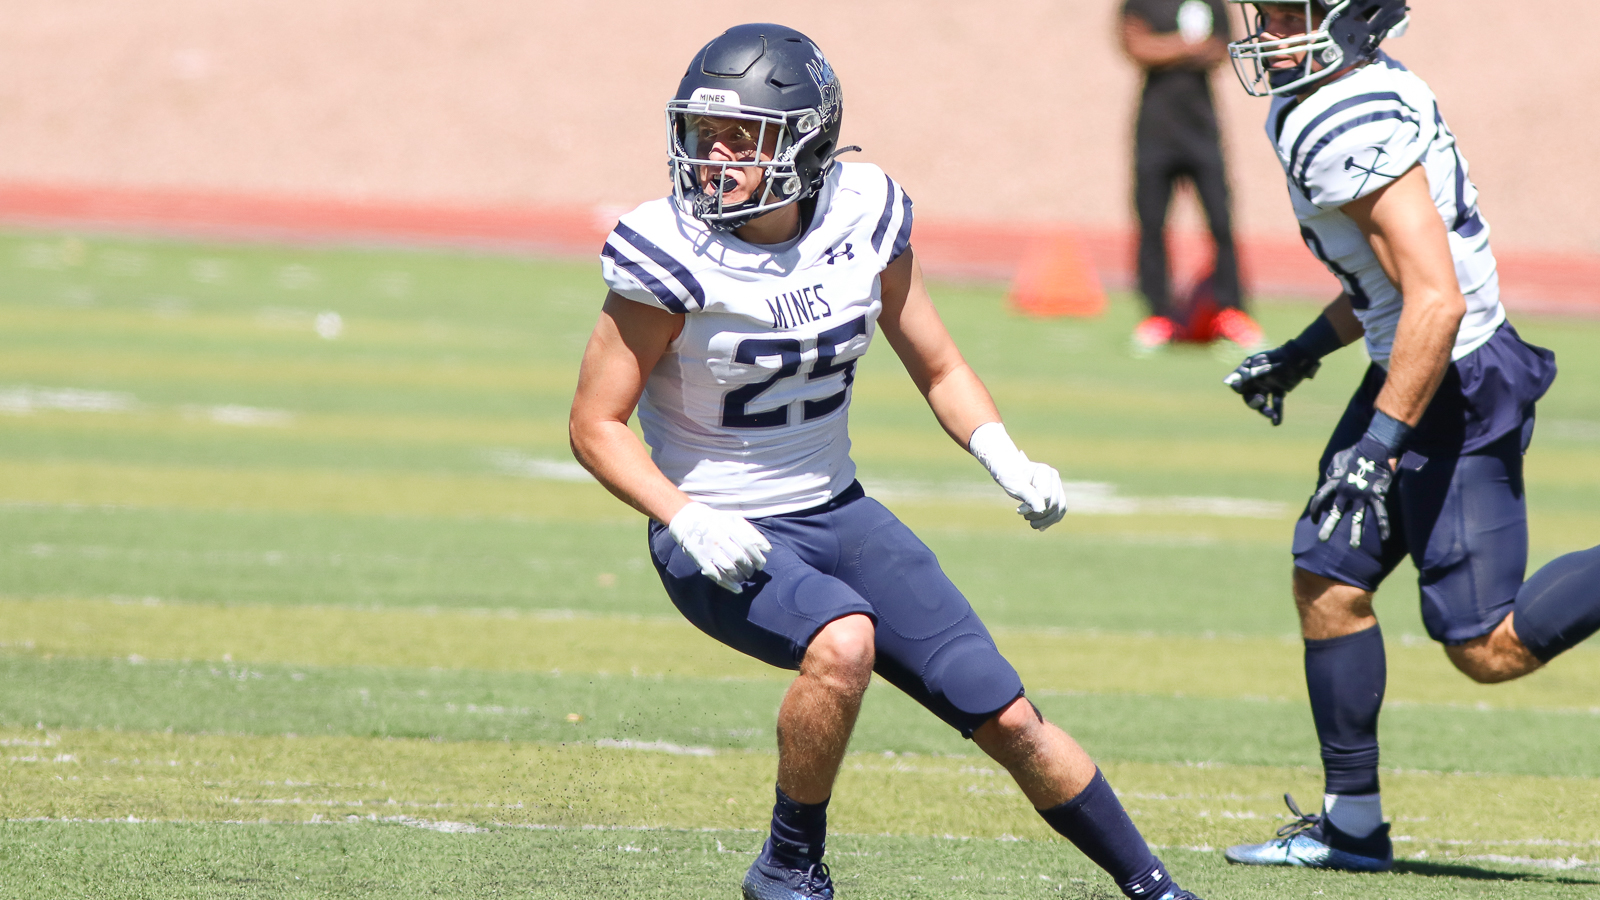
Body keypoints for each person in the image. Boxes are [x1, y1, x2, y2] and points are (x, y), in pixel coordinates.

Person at [569, 22, 1204, 900]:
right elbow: (595, 424)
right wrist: (684, 514)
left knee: (1009, 713)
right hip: (719, 527)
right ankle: (788, 869)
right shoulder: (667, 250)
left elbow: (937, 363)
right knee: (844, 642)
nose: (714, 158)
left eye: (742, 137)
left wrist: (1004, 454)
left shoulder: (864, 210)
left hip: (839, 511)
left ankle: (1159, 890)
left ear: (809, 141)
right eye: (702, 134)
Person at [1219, 0, 1600, 873]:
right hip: (1422, 361)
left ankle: (1352, 827)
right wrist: (1302, 353)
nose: (1267, 36)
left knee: (1487, 647)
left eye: (1286, 17)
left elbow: (1437, 297)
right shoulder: (1332, 89)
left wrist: (1380, 443)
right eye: (1266, 16)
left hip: (1454, 376)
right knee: (1327, 575)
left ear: (1352, 18)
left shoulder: (1341, 113)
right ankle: (1353, 827)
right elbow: (1385, 280)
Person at [1119, 0, 1263, 352]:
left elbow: (1220, 50)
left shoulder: (1213, 2)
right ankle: (1157, 314)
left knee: (1221, 222)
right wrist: (1185, 46)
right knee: (1152, 224)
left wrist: (1164, 45)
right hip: (1155, 129)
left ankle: (1232, 312)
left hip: (1202, 127)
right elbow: (1136, 48)